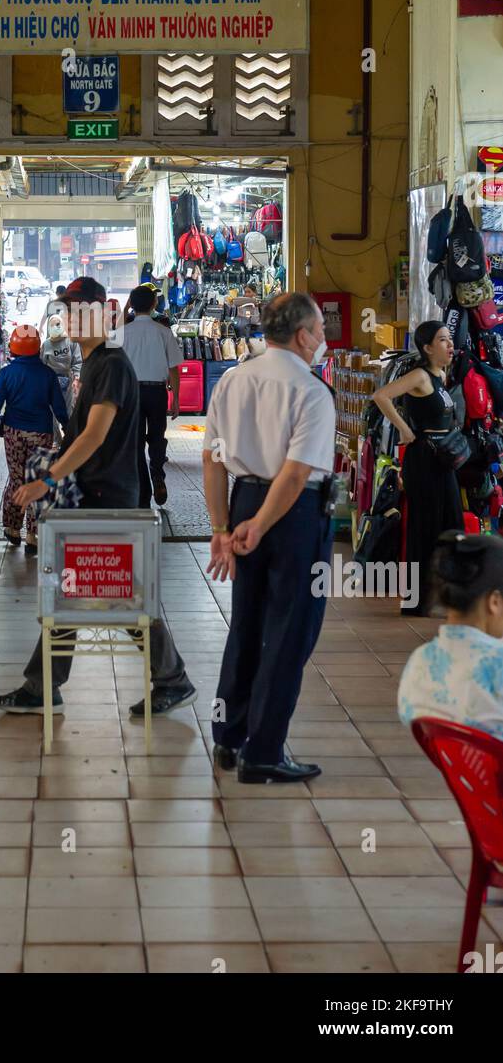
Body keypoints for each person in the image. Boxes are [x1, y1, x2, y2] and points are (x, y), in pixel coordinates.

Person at [0, 277, 195, 716]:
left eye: (84, 309)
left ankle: (169, 678)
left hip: (110, 497)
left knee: (119, 594)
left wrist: (48, 479)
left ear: (105, 313)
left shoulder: (113, 365)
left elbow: (96, 434)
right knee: (76, 591)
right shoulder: (96, 364)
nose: (74, 319)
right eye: (69, 310)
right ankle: (45, 685)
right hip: (94, 495)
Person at [204, 292, 336, 783]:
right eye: (320, 330)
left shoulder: (234, 380)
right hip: (293, 516)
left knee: (246, 622)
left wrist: (223, 528)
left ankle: (228, 735)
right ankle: (262, 752)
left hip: (241, 501)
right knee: (288, 630)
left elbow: (212, 460)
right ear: (303, 335)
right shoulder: (311, 391)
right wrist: (260, 526)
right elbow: (297, 474)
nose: (322, 339)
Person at [371, 320, 461, 616]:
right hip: (422, 459)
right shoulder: (419, 375)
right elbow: (381, 396)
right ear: (427, 347)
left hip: (442, 459)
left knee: (449, 523)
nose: (449, 345)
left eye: (449, 339)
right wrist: (404, 430)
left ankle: (445, 594)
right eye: (443, 340)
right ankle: (416, 599)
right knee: (425, 527)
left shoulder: (440, 376)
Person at [0, 324, 69, 555]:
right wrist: (70, 430)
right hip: (41, 434)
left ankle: (13, 528)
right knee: (37, 482)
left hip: (14, 433)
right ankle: (33, 535)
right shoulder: (47, 374)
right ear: (37, 348)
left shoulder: (7, 373)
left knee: (17, 480)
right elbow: (59, 407)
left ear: (13, 348)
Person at [398, 530, 503, 738]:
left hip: (454, 766)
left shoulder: (421, 659)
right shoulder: (496, 664)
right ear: (494, 602)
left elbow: (407, 715)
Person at [122, 283, 182, 507]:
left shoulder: (123, 332)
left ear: (132, 305)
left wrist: (126, 306)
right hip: (157, 392)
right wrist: (175, 399)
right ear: (155, 303)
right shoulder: (163, 331)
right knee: (157, 438)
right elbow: (174, 369)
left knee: (135, 443)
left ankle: (142, 492)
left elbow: (109, 345)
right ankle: (158, 476)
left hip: (131, 395)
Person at [40, 311, 82, 414]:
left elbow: (77, 361)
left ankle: (68, 430)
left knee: (68, 412)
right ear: (49, 327)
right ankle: (55, 431)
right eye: (52, 325)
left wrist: (76, 377)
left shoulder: (71, 341)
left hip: (69, 382)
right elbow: (42, 365)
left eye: (58, 324)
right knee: (52, 413)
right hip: (51, 383)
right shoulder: (46, 344)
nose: (55, 327)